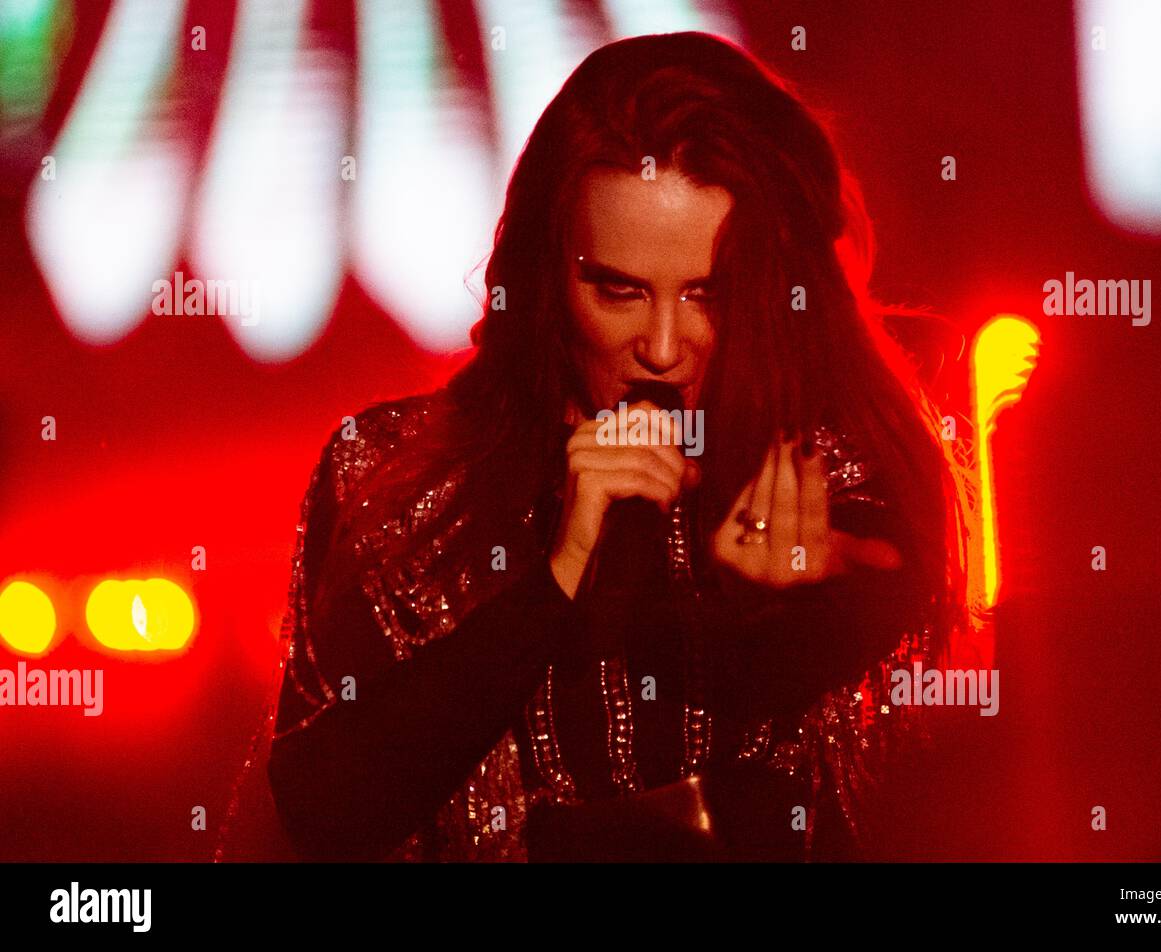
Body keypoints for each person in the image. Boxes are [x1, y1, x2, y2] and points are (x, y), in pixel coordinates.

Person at [265, 31, 967, 862]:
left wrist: (785, 599)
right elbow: (320, 807)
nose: (664, 346)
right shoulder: (387, 472)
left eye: (709, 294)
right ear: (544, 274)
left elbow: (880, 654)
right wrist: (554, 581)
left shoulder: (826, 459)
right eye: (619, 290)